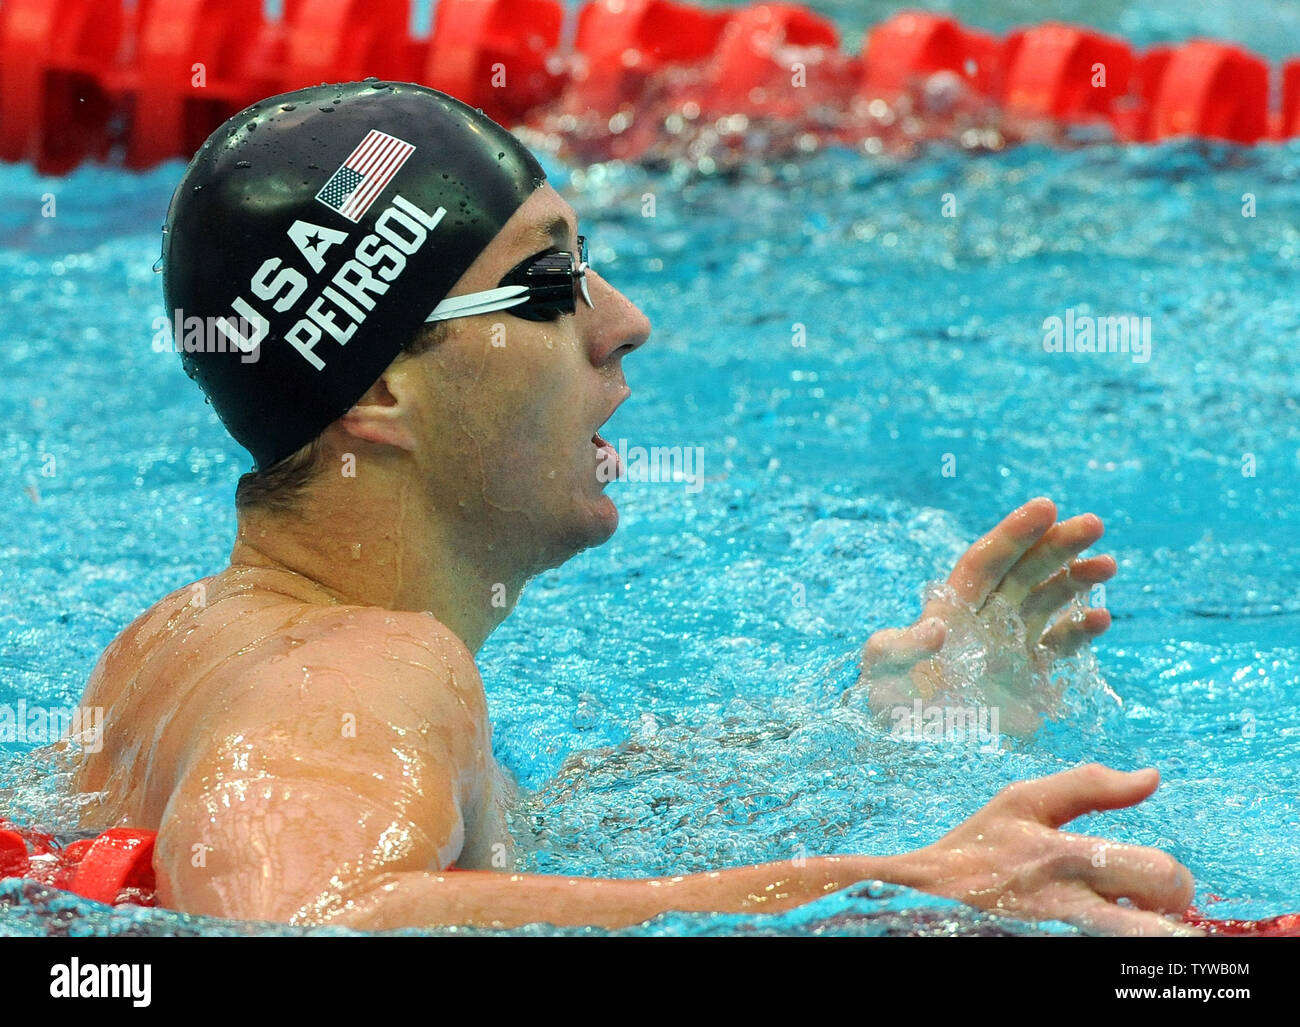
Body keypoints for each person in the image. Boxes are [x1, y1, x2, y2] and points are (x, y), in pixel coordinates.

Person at [71, 80, 1197, 935]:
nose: (624, 321)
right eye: (551, 284)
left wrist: (868, 742)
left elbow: (505, 848)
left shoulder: (174, 646)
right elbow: (293, 918)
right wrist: (897, 887)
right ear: (377, 390)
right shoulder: (377, 663)